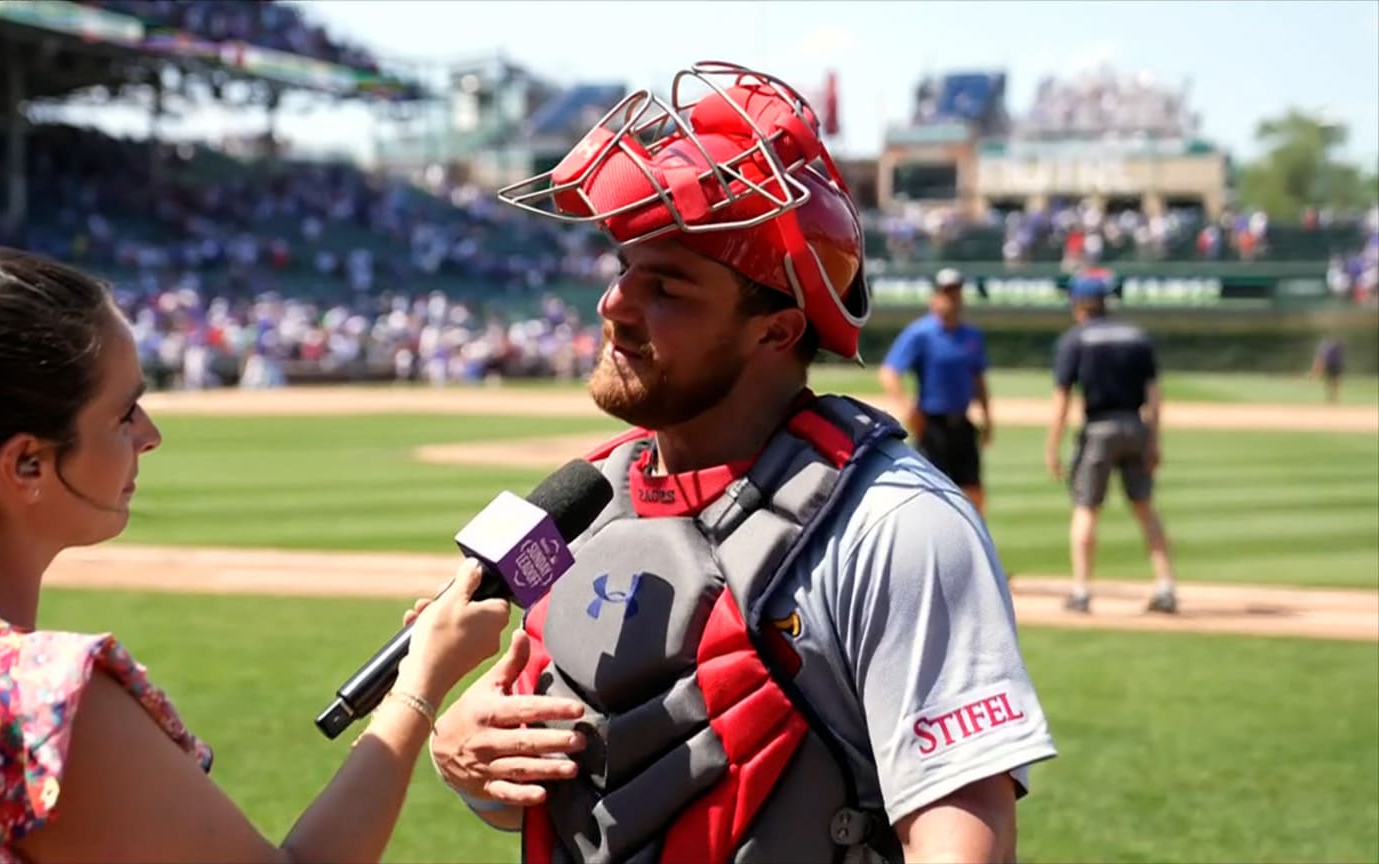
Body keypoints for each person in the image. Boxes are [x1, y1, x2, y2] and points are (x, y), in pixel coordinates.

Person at [431, 61, 1057, 864]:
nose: (614, 305)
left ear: (776, 331)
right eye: (625, 270)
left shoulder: (894, 526)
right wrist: (464, 753)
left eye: (668, 287)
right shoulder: (585, 501)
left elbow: (961, 831)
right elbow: (605, 775)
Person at [0, 246, 514, 861]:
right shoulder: (26, 697)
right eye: (124, 413)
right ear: (26, 464)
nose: (151, 434)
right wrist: (419, 686)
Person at [1044, 269, 1178, 614]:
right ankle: (1165, 586)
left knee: (1086, 509)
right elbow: (1153, 396)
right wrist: (1154, 440)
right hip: (1135, 425)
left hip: (1098, 430)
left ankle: (1082, 591)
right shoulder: (1137, 337)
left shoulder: (1075, 339)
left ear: (1080, 304)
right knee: (1145, 508)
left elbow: (1062, 399)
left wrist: (1052, 445)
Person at [878, 267, 994, 515]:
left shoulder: (971, 335)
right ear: (934, 298)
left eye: (956, 294)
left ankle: (975, 539)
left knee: (973, 489)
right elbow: (889, 372)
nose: (952, 300)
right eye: (946, 294)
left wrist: (987, 417)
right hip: (932, 424)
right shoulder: (921, 333)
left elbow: (978, 378)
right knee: (931, 491)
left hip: (962, 422)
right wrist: (908, 408)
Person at [1310, 335, 1344, 404]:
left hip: (1332, 365)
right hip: (1334, 365)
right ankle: (1333, 397)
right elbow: (1321, 359)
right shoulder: (1335, 347)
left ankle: (1332, 397)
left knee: (1332, 381)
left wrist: (1316, 372)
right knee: (1334, 381)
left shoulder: (1326, 347)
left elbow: (1320, 359)